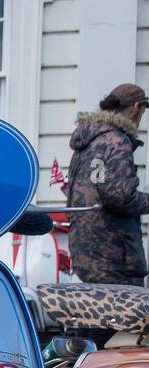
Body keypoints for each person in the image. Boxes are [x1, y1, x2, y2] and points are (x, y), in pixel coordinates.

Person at [67, 83, 149, 286]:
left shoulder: (88, 142)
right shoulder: (117, 141)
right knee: (126, 316)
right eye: (143, 110)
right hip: (114, 258)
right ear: (135, 107)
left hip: (85, 253)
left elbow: (95, 189)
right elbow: (120, 197)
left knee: (96, 315)